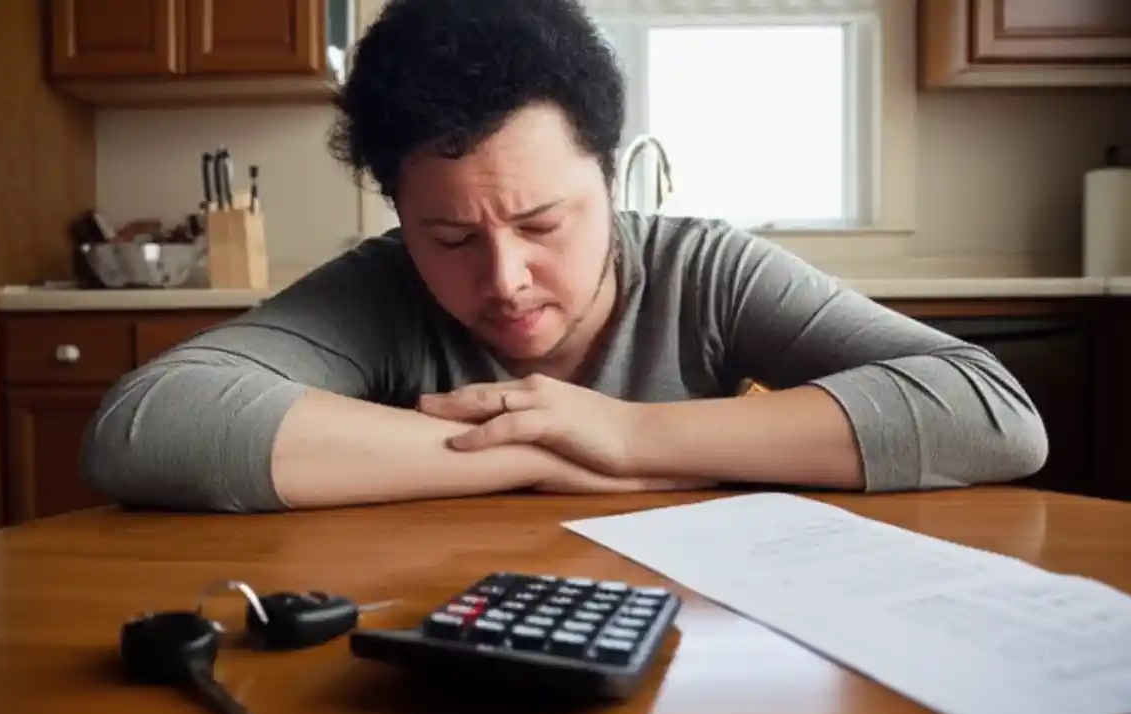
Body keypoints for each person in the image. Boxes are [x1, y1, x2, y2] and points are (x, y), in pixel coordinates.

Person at [81, 0, 1047, 513]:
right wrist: (540, 458)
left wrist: (629, 440)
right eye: (450, 237)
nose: (502, 280)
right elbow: (148, 428)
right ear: (397, 210)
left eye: (543, 223)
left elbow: (993, 414)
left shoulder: (703, 272)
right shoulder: (380, 290)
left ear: (612, 176)